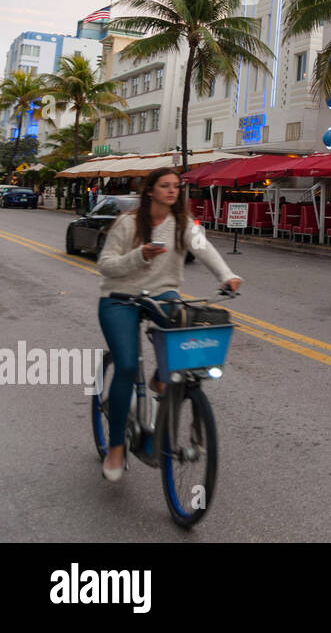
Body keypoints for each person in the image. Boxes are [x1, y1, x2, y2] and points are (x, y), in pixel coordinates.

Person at [96, 167, 242, 483]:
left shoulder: (183, 224)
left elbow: (205, 249)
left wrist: (226, 276)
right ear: (150, 190)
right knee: (124, 366)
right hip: (119, 297)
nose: (172, 191)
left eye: (176, 186)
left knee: (189, 326)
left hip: (161, 293)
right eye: (165, 185)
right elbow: (105, 267)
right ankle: (116, 446)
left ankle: (162, 378)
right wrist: (139, 255)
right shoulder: (127, 223)